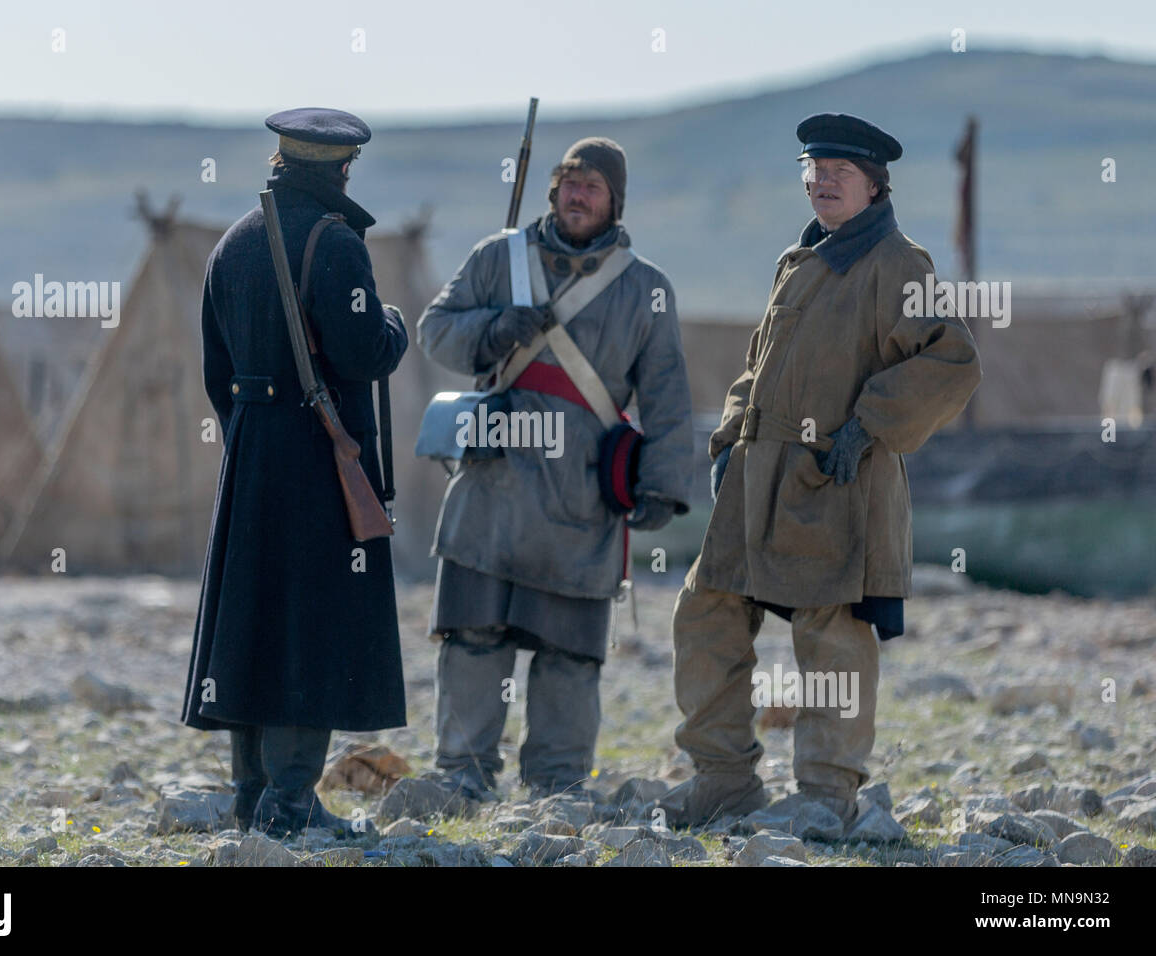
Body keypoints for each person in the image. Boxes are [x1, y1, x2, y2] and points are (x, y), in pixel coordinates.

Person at [657, 113, 982, 832]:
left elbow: (952, 359)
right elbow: (756, 368)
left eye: (840, 172)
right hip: (755, 478)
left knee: (830, 632)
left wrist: (870, 421)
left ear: (874, 186)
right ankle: (724, 779)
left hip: (836, 480)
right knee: (706, 613)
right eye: (814, 168)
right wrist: (727, 441)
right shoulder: (798, 260)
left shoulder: (898, 264)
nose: (823, 180)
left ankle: (827, 793)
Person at [417, 136, 694, 802]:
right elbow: (434, 331)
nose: (577, 194)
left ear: (614, 201)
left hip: (580, 497)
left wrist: (662, 484)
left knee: (570, 653)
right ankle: (463, 775)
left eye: (592, 185)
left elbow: (667, 397)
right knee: (472, 635)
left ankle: (558, 786)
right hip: (491, 485)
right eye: (569, 180)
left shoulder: (645, 289)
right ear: (552, 189)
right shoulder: (497, 258)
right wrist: (493, 327)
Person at [180, 108, 408, 838]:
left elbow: (218, 374)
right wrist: (394, 326)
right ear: (341, 168)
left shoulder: (232, 243)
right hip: (316, 458)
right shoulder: (334, 243)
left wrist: (253, 433)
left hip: (251, 455)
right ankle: (292, 800)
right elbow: (365, 353)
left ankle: (253, 798)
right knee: (313, 626)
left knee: (252, 623)